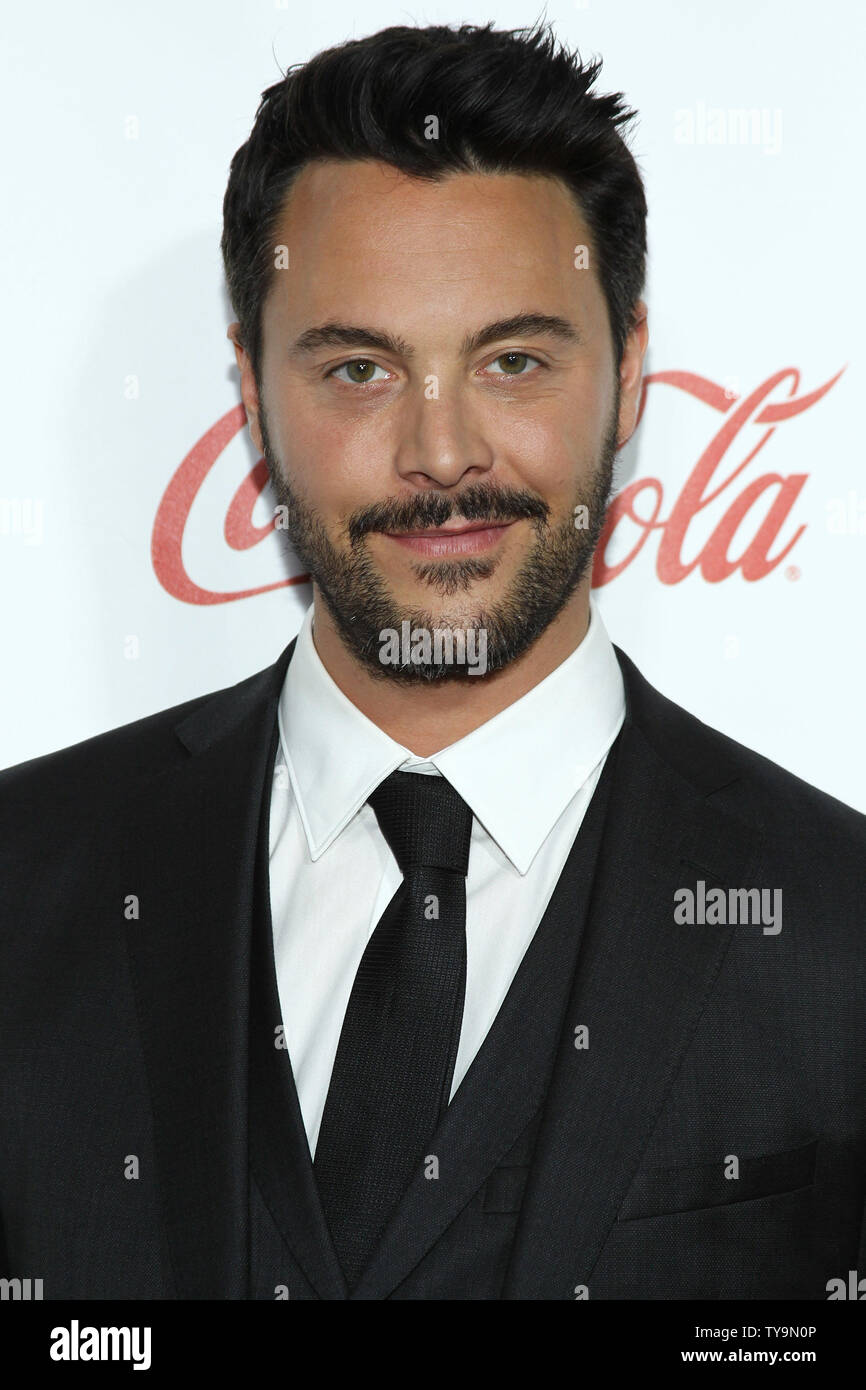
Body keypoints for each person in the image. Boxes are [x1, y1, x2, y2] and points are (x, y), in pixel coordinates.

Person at [1, 19, 864, 1302]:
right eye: (358, 368)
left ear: (628, 373)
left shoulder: (837, 928)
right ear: (248, 390)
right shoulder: (25, 878)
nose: (442, 452)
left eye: (513, 360)